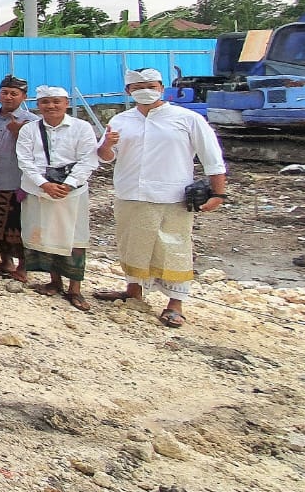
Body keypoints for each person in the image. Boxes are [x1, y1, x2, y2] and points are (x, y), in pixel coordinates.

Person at [93, 67, 228, 328]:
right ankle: (133, 290)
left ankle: (175, 304)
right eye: (138, 86)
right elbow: (106, 157)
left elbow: (212, 158)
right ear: (128, 91)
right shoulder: (121, 121)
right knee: (133, 243)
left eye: (151, 86)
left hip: (172, 196)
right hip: (131, 193)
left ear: (161, 88)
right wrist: (107, 144)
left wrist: (218, 193)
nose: (145, 90)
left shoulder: (187, 119)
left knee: (173, 248)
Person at [17, 86, 100, 312]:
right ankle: (54, 281)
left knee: (74, 238)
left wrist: (68, 184)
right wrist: (44, 184)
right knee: (46, 235)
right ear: (38, 105)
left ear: (66, 103)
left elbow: (88, 160)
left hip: (72, 192)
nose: (51, 106)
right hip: (39, 189)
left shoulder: (82, 128)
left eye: (56, 102)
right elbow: (24, 160)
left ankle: (75, 288)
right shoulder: (29, 130)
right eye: (45, 102)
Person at [0, 75, 38, 281]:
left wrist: (21, 133)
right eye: (5, 92)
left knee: (18, 226)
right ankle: (4, 261)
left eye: (14, 93)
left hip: (19, 184)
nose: (9, 97)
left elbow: (39, 153)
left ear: (24, 96)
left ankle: (23, 266)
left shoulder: (32, 122)